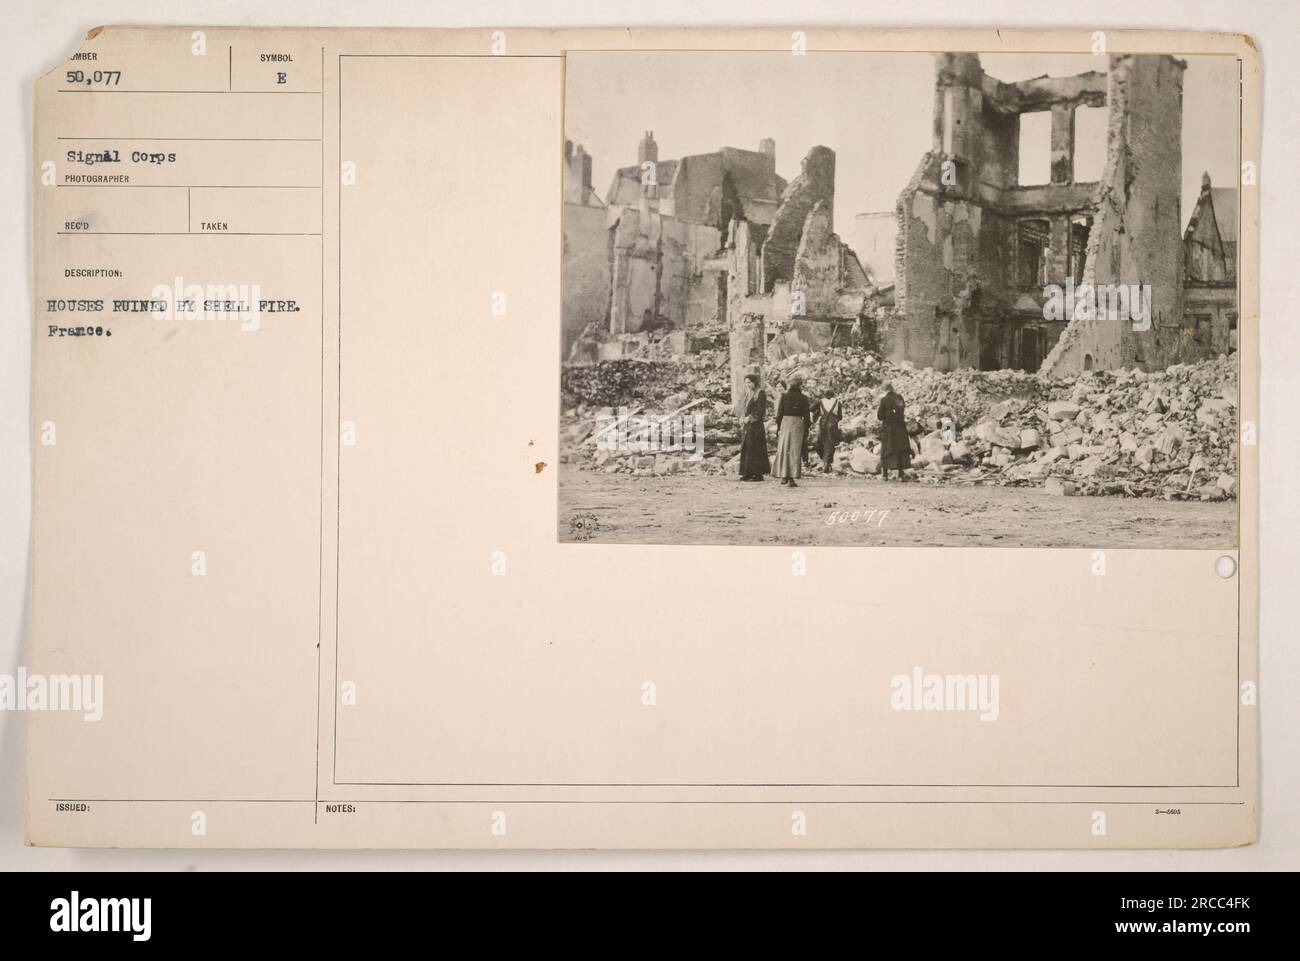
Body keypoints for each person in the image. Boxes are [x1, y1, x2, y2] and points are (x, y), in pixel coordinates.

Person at [774, 374, 812, 487]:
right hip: (798, 424)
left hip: (785, 423)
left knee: (784, 449)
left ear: (790, 384)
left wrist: (778, 427)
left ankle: (783, 475)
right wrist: (806, 429)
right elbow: (807, 416)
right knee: (795, 451)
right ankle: (792, 478)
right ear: (800, 385)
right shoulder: (804, 398)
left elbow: (779, 414)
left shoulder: (784, 397)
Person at [737, 373, 770, 482]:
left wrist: (750, 418)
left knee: (755, 449)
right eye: (746, 383)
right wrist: (742, 417)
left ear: (754, 382)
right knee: (747, 448)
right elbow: (745, 408)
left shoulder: (760, 393)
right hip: (748, 426)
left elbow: (760, 411)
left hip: (756, 426)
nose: (748, 385)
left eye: (749, 382)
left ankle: (758, 474)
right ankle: (747, 473)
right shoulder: (749, 393)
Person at [876, 382, 912, 480]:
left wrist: (887, 416)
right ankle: (900, 475)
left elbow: (879, 416)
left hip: (888, 429)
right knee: (900, 450)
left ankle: (885, 475)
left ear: (885, 390)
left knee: (886, 451)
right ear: (893, 389)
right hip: (900, 429)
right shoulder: (899, 398)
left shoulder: (884, 400)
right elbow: (902, 410)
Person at [816, 389, 843, 474]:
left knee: (822, 442)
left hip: (823, 423)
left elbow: (811, 409)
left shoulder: (820, 401)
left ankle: (825, 462)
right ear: (833, 395)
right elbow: (840, 416)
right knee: (831, 443)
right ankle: (827, 463)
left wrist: (817, 416)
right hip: (833, 423)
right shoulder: (837, 402)